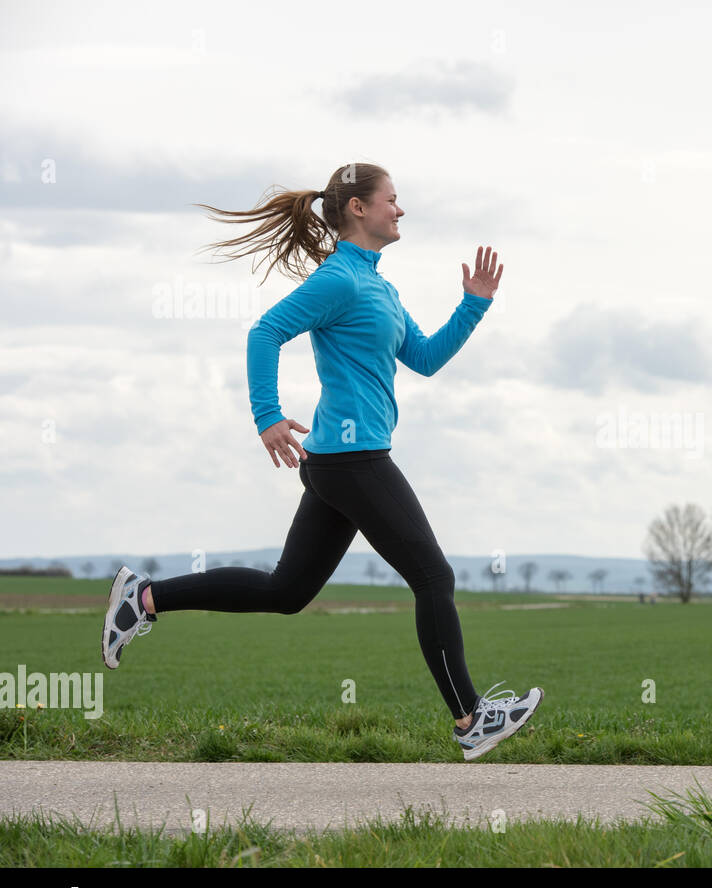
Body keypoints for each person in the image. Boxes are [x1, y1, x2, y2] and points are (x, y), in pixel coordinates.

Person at [100, 162, 542, 760]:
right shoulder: (340, 281)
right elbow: (265, 332)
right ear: (359, 208)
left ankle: (144, 598)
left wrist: (474, 305)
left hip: (344, 460)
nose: (400, 209)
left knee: (287, 590)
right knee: (434, 578)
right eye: (392, 199)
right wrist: (267, 416)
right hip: (352, 462)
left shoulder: (378, 286)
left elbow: (427, 358)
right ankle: (471, 722)